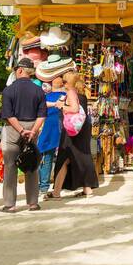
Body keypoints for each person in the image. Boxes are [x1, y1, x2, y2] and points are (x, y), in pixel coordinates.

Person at [0, 57, 47, 212]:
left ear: (19, 70)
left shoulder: (8, 90)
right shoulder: (38, 90)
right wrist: (33, 131)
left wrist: (21, 130)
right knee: (31, 164)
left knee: (10, 166)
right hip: (33, 128)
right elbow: (42, 115)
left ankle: (10, 204)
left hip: (13, 129)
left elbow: (8, 115)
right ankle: (33, 203)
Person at [52, 70, 100, 198]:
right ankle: (87, 189)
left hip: (71, 131)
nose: (63, 83)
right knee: (80, 158)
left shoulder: (71, 93)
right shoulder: (82, 95)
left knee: (63, 159)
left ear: (69, 82)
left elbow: (74, 109)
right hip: (81, 130)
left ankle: (56, 192)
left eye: (64, 81)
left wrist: (62, 106)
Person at [38, 76, 66, 194]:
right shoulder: (66, 96)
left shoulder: (44, 97)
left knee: (46, 157)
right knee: (62, 159)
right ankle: (60, 184)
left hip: (46, 130)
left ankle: (43, 186)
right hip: (62, 130)